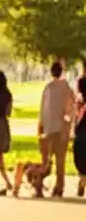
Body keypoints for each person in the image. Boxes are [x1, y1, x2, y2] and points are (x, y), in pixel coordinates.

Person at [38, 61, 77, 197]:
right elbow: (71, 109)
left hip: (49, 128)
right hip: (61, 128)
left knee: (47, 159)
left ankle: (41, 184)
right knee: (60, 159)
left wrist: (41, 127)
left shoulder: (47, 89)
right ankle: (59, 186)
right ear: (62, 72)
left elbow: (43, 110)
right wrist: (68, 121)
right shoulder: (66, 89)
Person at [75, 76, 86, 197]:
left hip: (81, 135)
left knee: (82, 160)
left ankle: (83, 179)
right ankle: (83, 180)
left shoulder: (79, 102)